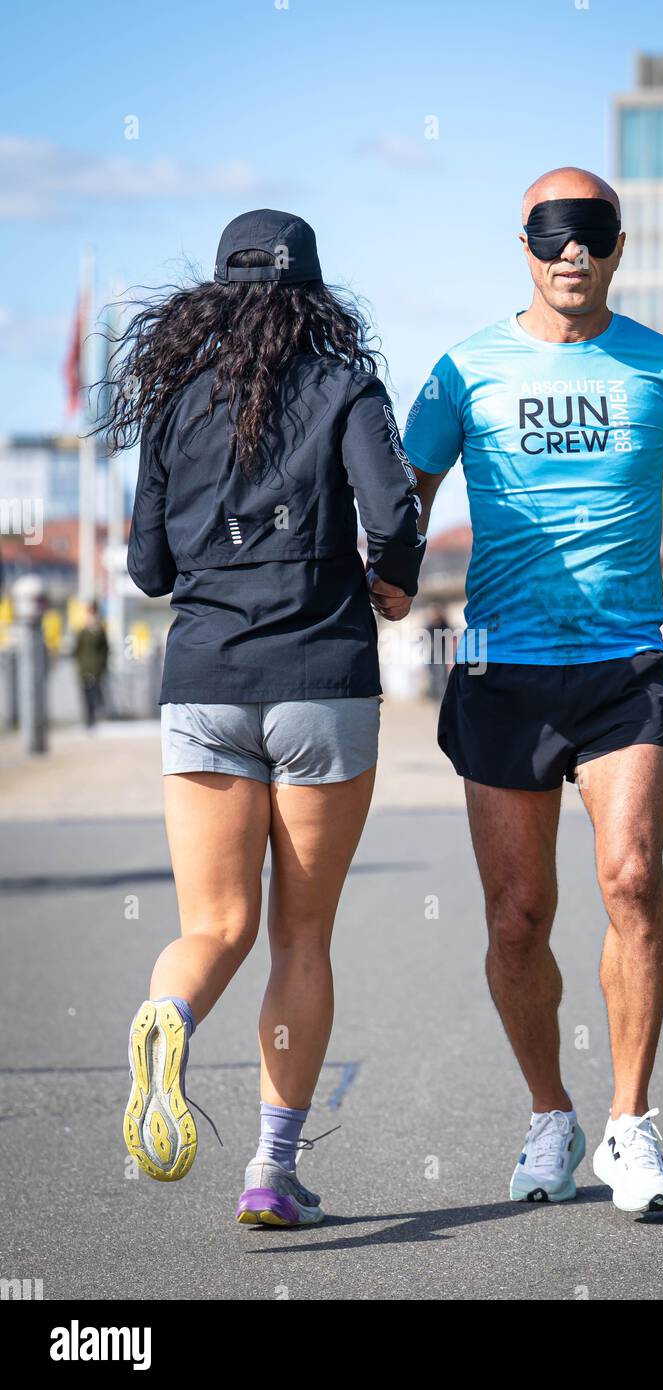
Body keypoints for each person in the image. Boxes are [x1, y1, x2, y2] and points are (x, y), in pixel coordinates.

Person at [403, 167, 663, 1215]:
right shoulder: (462, 372)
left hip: (623, 663)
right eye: (552, 233)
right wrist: (388, 577)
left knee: (630, 877)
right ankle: (552, 1113)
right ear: (525, 247)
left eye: (590, 232)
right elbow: (408, 489)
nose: (571, 250)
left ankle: (629, 1125)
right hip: (502, 668)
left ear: (618, 247)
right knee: (517, 915)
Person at [101, 209, 424, 1226]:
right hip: (320, 681)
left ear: (212, 294)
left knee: (215, 926)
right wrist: (393, 581)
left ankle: (170, 1013)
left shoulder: (174, 403)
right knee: (300, 938)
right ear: (313, 293)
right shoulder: (346, 388)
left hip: (204, 684)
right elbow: (395, 513)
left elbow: (148, 568)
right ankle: (271, 1172)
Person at [73, 600, 109, 727]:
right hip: (85, 669)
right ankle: (89, 719)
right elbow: (76, 650)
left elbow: (106, 650)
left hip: (97, 669)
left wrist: (103, 666)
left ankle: (96, 716)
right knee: (86, 694)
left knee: (96, 692)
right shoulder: (82, 632)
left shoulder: (100, 631)